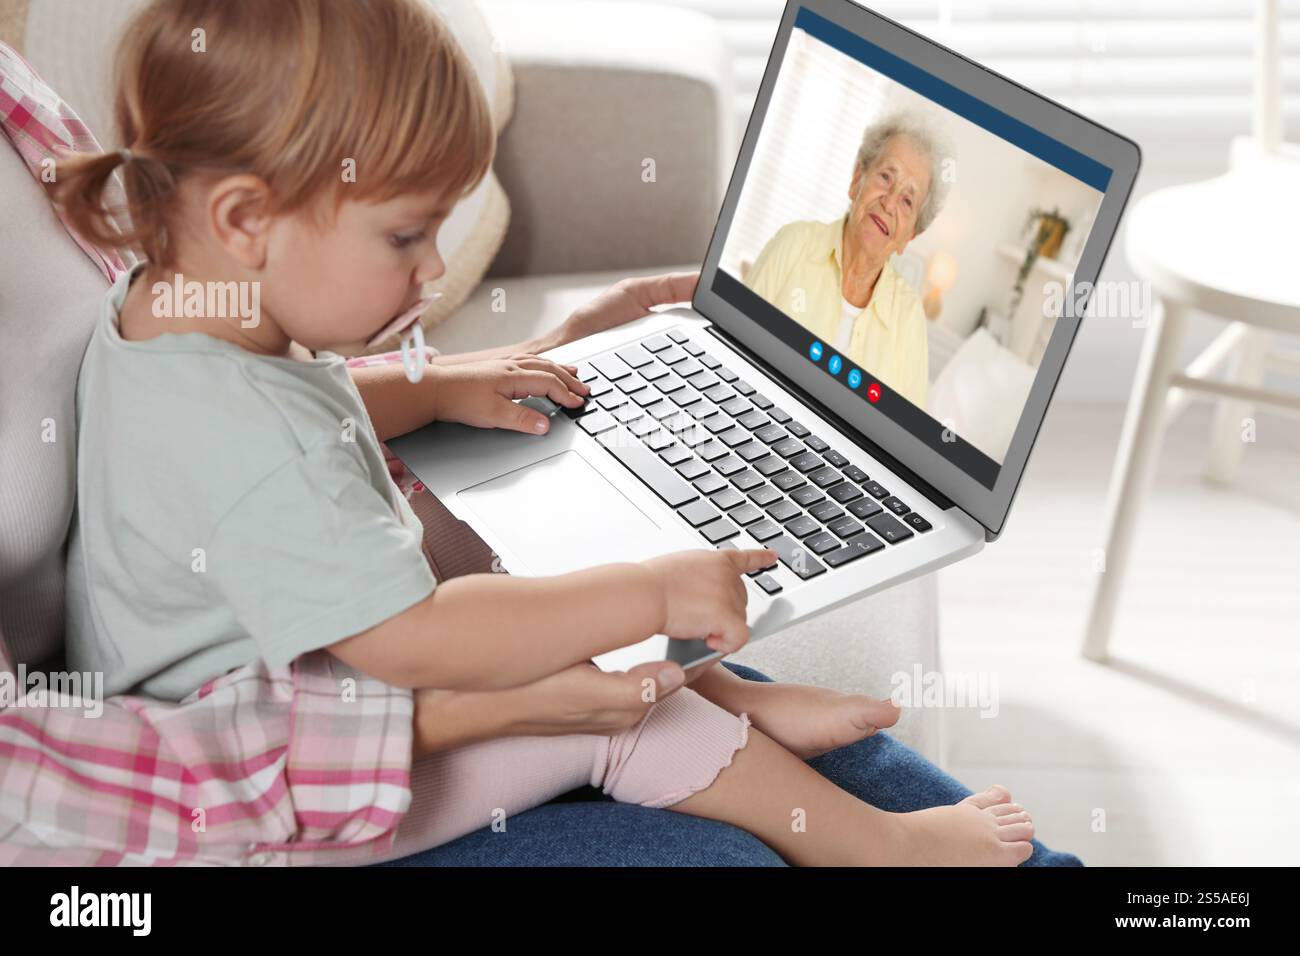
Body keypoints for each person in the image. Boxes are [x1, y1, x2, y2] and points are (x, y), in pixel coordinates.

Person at [51, 0, 1071, 866]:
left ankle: (736, 699)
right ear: (242, 218)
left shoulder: (175, 307)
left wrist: (439, 388)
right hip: (297, 799)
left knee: (486, 540)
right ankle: (881, 844)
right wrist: (652, 592)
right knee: (620, 712)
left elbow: (300, 417)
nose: (431, 270)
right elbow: (414, 636)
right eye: (405, 235)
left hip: (282, 671)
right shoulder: (253, 440)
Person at [745, 111, 952, 410]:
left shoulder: (908, 318)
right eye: (886, 177)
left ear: (909, 237)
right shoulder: (792, 244)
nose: (889, 203)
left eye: (907, 200)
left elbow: (900, 429)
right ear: (857, 180)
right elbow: (734, 347)